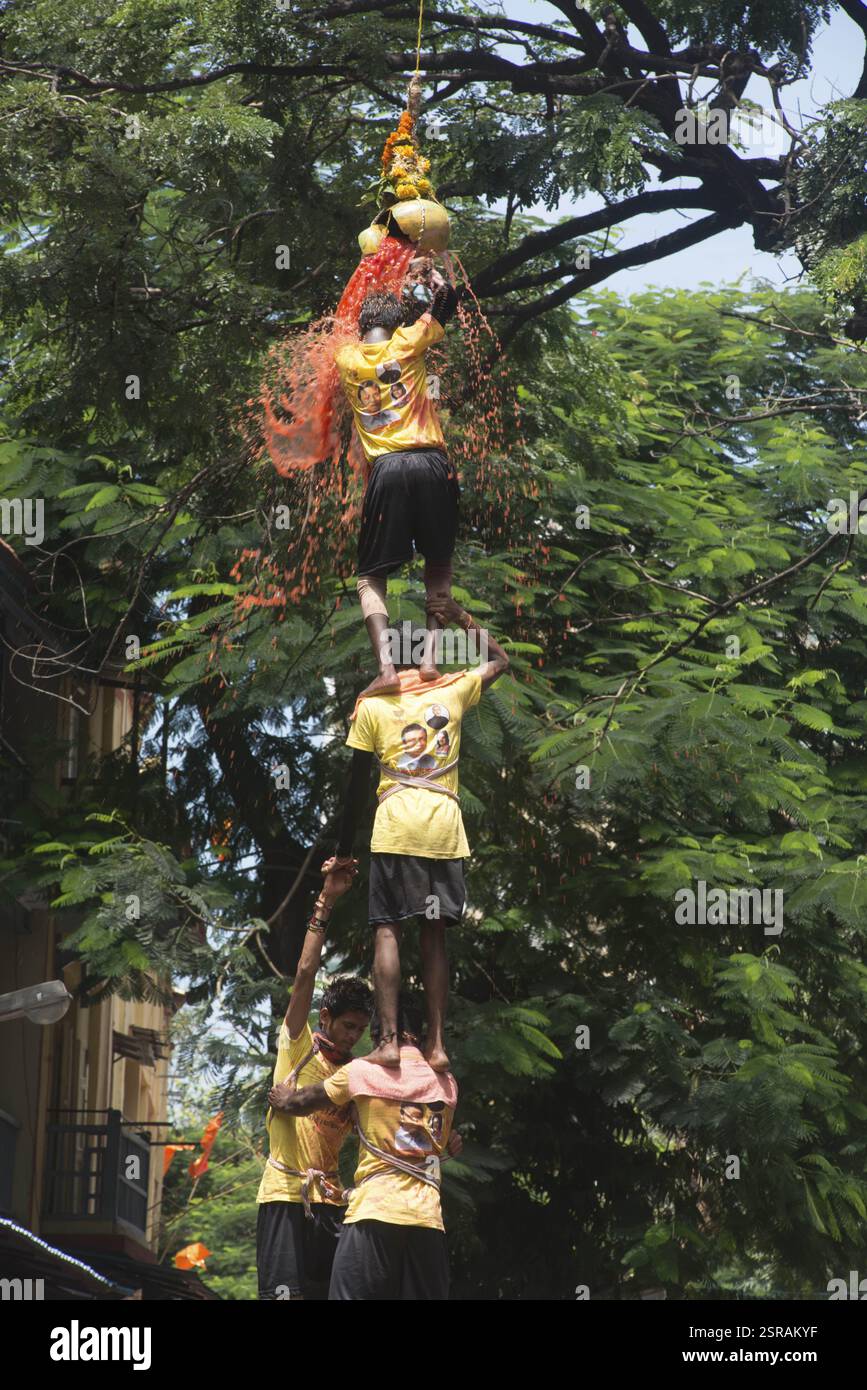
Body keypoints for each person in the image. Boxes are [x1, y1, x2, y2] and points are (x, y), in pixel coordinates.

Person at [328, 595, 510, 1070]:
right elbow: (500, 660)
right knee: (434, 936)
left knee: (388, 931)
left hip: (396, 828)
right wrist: (460, 618)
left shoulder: (372, 707)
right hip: (444, 829)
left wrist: (343, 853)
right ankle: (437, 1046)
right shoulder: (450, 692)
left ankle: (387, 1042)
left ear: (388, 657)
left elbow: (355, 787)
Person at [268, 996, 463, 1301]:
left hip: (375, 1213)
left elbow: (305, 1102)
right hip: (428, 1221)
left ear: (379, 1036)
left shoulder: (363, 1073)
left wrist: (283, 1101)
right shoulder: (447, 1083)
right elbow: (439, 1134)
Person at [334, 255, 461, 697]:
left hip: (385, 471)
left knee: (371, 577)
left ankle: (387, 669)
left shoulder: (346, 359)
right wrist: (433, 277)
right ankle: (429, 659)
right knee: (439, 563)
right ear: (395, 323)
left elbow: (343, 321)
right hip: (430, 462)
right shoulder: (407, 343)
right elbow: (447, 303)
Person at [255, 855, 372, 1300]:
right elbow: (305, 973)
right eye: (348, 1027)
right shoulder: (298, 1044)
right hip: (285, 1195)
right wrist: (326, 900)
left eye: (361, 1030)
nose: (354, 1037)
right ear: (326, 1018)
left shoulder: (355, 1076)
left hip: (332, 1206)